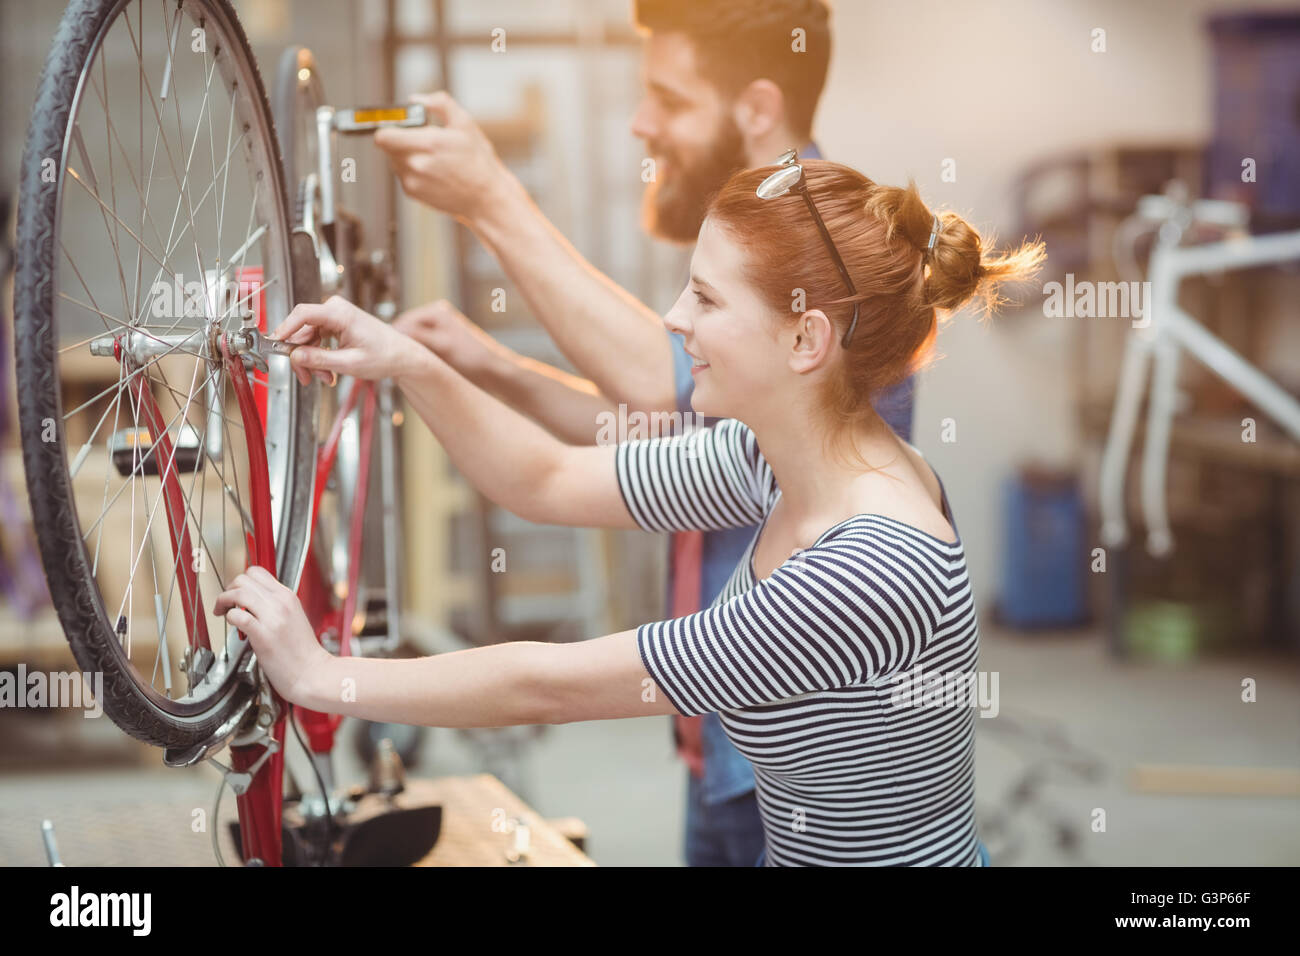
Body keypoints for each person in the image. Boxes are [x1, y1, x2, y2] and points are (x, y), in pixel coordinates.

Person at [215, 159, 1043, 866]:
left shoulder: (866, 568)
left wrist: (323, 677)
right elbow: (544, 478)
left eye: (708, 301)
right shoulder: (773, 460)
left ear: (805, 342)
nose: (676, 320)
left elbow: (549, 687)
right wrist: (409, 364)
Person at [375, 0, 915, 866]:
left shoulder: (826, 269)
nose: (640, 123)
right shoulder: (755, 298)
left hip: (779, 751)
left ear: (756, 110)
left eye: (668, 96)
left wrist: (491, 199)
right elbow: (631, 441)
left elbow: (652, 383)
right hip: (724, 737)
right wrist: (481, 369)